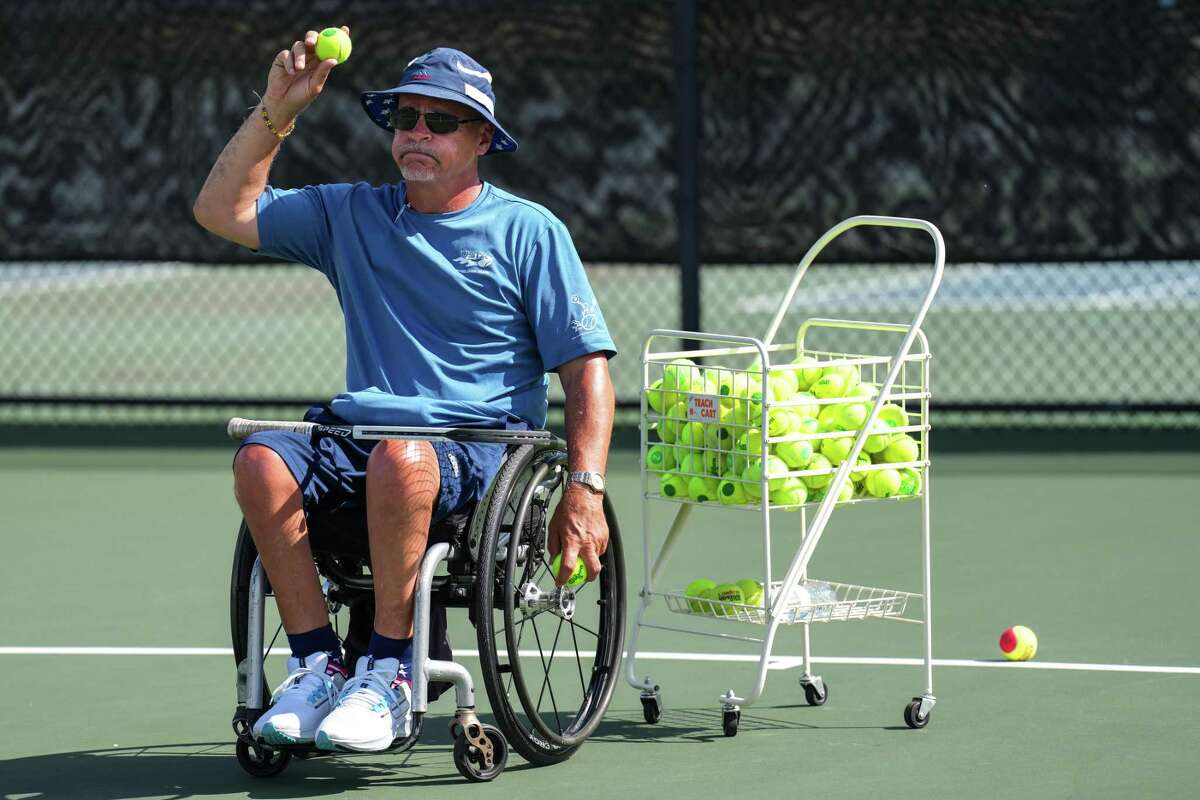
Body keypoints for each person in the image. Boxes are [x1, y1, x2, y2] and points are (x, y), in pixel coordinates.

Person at [192, 29, 616, 753]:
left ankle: (388, 672)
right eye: (406, 118)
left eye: (441, 121)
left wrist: (584, 488)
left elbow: (586, 370)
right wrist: (276, 109)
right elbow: (221, 213)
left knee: (401, 460)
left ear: (482, 137)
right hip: (363, 438)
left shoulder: (529, 233)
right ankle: (317, 664)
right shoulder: (350, 213)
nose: (418, 133)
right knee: (260, 461)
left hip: (480, 453)